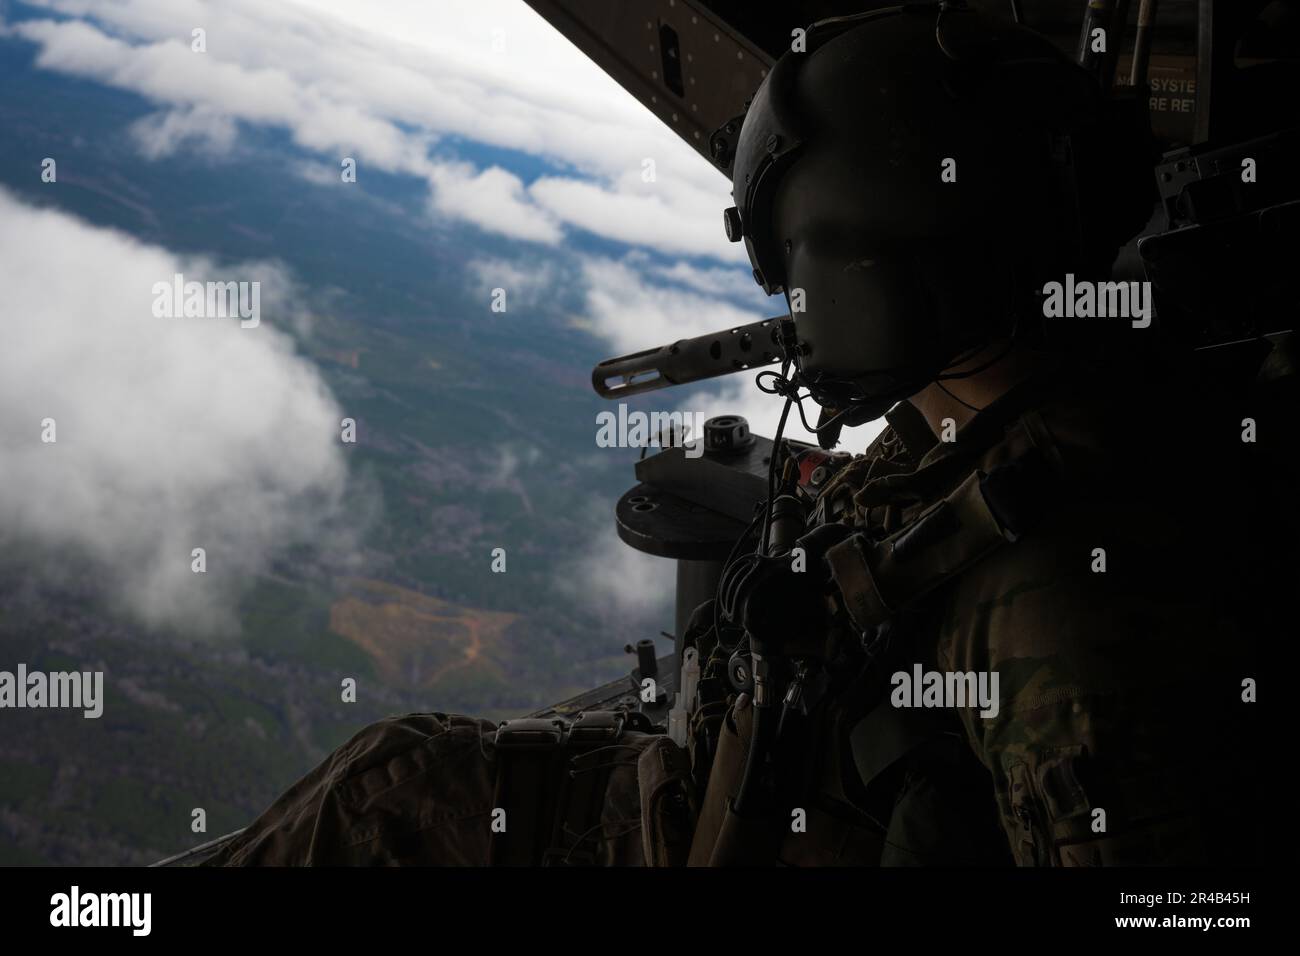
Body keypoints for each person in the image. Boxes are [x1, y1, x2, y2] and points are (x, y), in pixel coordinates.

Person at [207, 3, 1262, 867]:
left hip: (703, 826)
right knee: (401, 765)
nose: (797, 308)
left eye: (805, 274)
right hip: (718, 780)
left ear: (884, 280)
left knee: (380, 802)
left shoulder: (1059, 602)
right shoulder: (1028, 416)